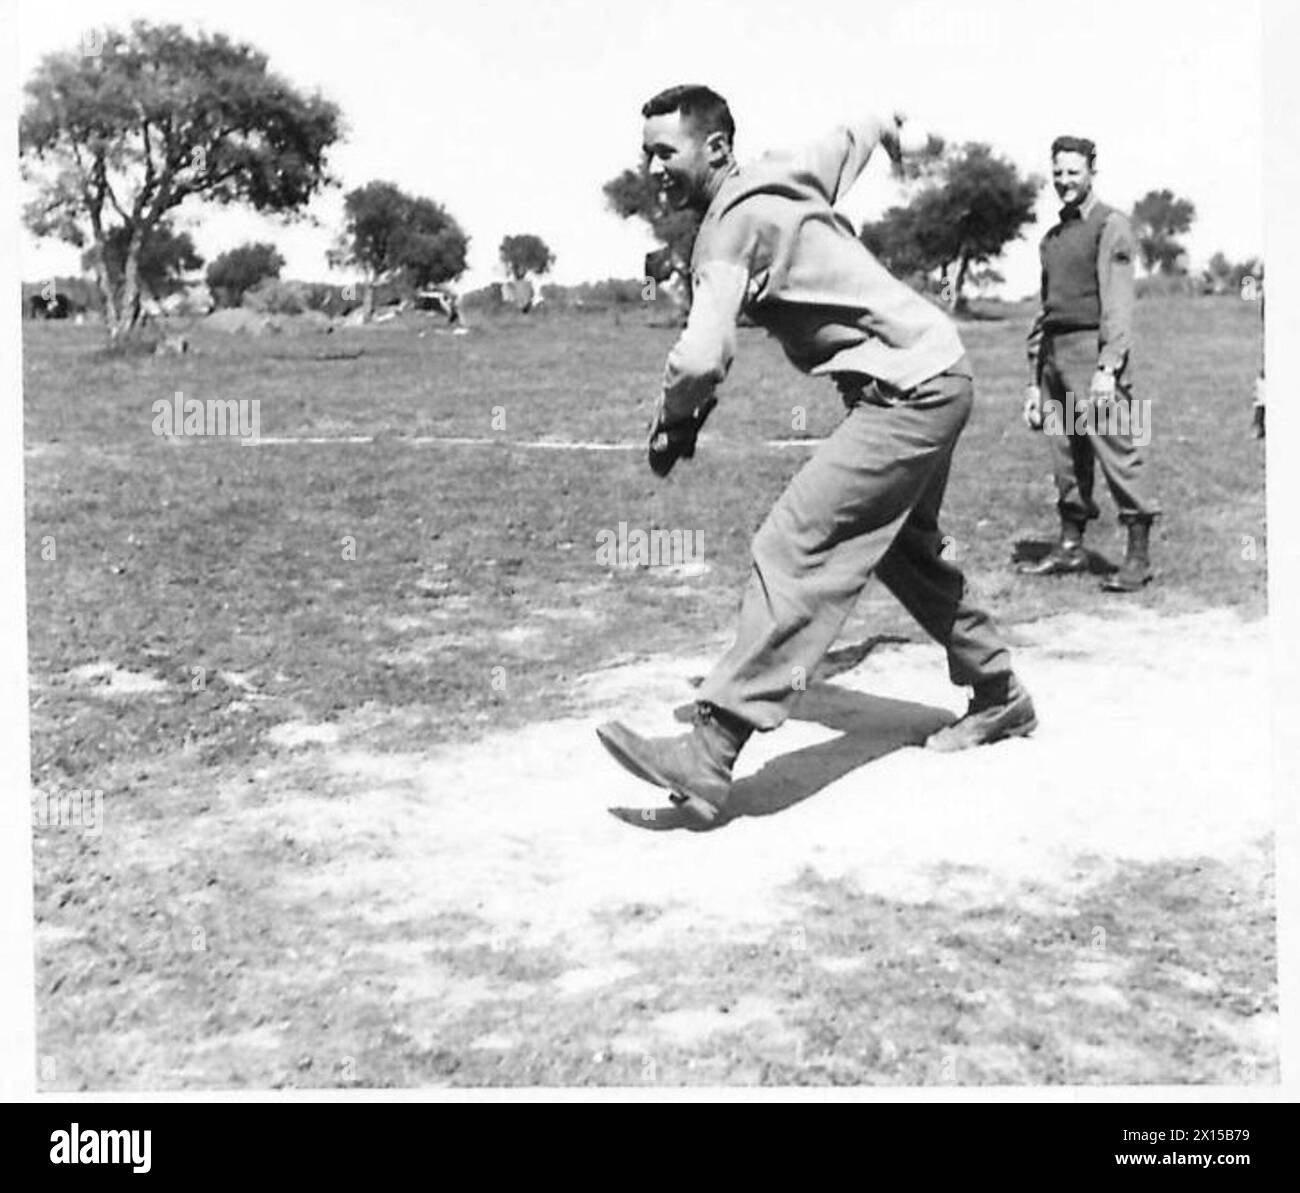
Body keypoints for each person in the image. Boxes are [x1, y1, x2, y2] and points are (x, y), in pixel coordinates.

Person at [596, 85, 1036, 824]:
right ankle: (1001, 695)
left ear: (715, 149)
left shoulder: (724, 232)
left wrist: (673, 420)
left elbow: (702, 358)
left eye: (664, 151)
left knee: (794, 542)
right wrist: (893, 128)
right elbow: (857, 132)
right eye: (645, 153)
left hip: (908, 392)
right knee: (904, 550)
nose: (653, 168)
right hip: (936, 371)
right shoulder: (787, 170)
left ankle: (709, 750)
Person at [1020, 136, 1160, 590]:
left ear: (1091, 172)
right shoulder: (1053, 238)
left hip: (1092, 356)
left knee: (1117, 448)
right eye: (1058, 173)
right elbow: (1046, 309)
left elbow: (1118, 303)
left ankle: (1137, 558)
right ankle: (1070, 547)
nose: (1064, 181)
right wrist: (1032, 381)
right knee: (1066, 454)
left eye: (1073, 172)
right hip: (1054, 358)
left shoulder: (1111, 225)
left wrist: (1107, 367)